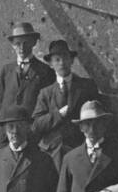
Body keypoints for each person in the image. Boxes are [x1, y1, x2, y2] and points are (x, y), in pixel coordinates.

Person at [31, 38, 98, 171]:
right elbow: (37, 125)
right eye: (57, 59)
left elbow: (97, 117)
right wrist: (58, 114)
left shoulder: (86, 86)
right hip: (51, 152)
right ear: (50, 64)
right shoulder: (45, 93)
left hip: (78, 147)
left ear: (71, 60)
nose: (62, 63)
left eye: (65, 58)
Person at [0, 21, 55, 146]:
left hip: (31, 131)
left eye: (25, 43)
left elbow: (47, 104)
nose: (21, 47)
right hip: (8, 131)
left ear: (33, 42)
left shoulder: (45, 71)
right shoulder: (7, 70)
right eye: (17, 44)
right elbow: (2, 101)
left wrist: (34, 126)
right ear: (12, 45)